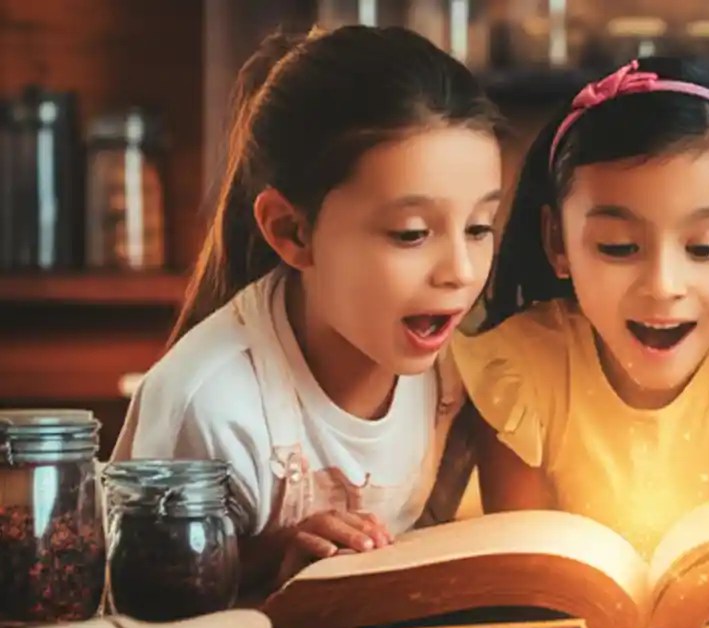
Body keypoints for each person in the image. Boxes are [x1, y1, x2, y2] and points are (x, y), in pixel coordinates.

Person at [112, 26, 503, 589]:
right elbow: (145, 605)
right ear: (292, 231)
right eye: (411, 233)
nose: (461, 272)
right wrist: (267, 559)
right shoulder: (211, 407)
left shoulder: (459, 372)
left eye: (479, 227)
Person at [450, 58, 709, 556]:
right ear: (557, 241)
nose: (662, 286)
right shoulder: (517, 368)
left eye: (705, 248)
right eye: (617, 247)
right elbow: (533, 568)